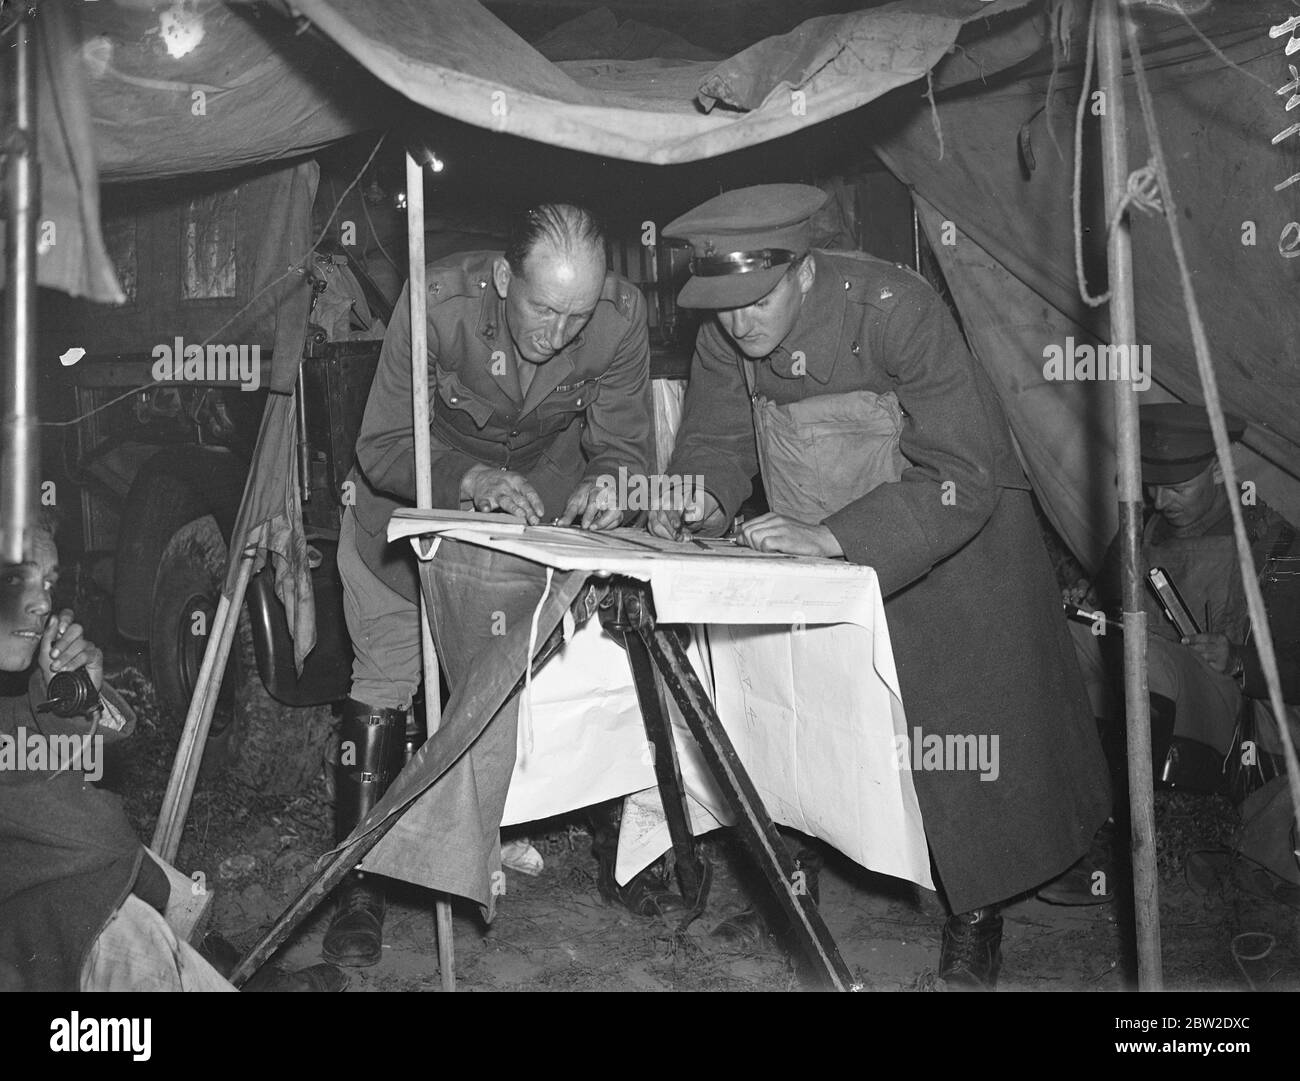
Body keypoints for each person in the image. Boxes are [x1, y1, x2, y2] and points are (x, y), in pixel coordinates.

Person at [647, 184, 1111, 989]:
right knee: (801, 710)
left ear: (804, 269)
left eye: (756, 300)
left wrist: (842, 537)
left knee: (960, 728)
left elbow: (962, 472)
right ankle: (791, 889)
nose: (739, 324)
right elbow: (717, 442)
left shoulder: (897, 307)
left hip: (944, 528)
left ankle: (978, 914)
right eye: (722, 308)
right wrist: (700, 499)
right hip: (813, 535)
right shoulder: (728, 329)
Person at [331, 203, 661, 965]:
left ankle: (584, 843)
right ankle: (356, 883)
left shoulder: (615, 317)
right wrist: (467, 476)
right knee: (386, 673)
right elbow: (381, 442)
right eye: (543, 309)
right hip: (408, 501)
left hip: (527, 513)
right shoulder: (438, 299)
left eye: (575, 316)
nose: (556, 334)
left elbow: (624, 446)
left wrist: (613, 480)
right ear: (505, 277)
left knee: (533, 672)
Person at [0, 517, 343, 991]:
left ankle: (229, 975)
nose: (41, 603)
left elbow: (54, 766)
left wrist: (72, 695)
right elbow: (80, 829)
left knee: (173, 893)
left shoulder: (16, 682)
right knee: (122, 914)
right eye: (18, 578)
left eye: (49, 582)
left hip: (42, 886)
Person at [1064, 403, 1300, 900]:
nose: (1160, 499)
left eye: (1177, 487)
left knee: (1142, 657)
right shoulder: (1141, 530)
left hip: (1235, 719)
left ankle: (1115, 841)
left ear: (1218, 467)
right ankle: (1060, 820)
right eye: (1151, 485)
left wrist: (1239, 659)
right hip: (1153, 679)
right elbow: (1107, 605)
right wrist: (1084, 610)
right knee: (1070, 642)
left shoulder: (1271, 540)